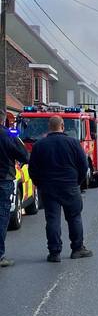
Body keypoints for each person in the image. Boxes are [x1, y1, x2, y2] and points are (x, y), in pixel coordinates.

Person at [28, 114, 93, 262]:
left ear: (49, 127)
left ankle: (54, 253)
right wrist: (77, 181)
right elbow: (83, 165)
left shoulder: (39, 145)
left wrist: (40, 183)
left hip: (48, 187)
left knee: (52, 219)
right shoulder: (73, 143)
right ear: (63, 126)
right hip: (70, 185)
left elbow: (33, 168)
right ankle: (77, 249)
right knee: (74, 218)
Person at [0, 109, 30, 268]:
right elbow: (24, 155)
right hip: (3, 180)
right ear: (3, 119)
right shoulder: (8, 135)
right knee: (1, 216)